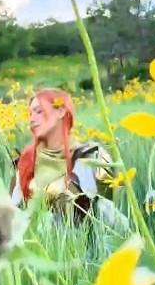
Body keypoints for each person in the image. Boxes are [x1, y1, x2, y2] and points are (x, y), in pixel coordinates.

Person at [9, 88, 129, 231]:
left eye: (39, 112)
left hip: (91, 244)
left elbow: (111, 213)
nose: (32, 119)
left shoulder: (92, 156)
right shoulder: (25, 162)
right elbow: (14, 216)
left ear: (61, 112)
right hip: (41, 245)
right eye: (30, 113)